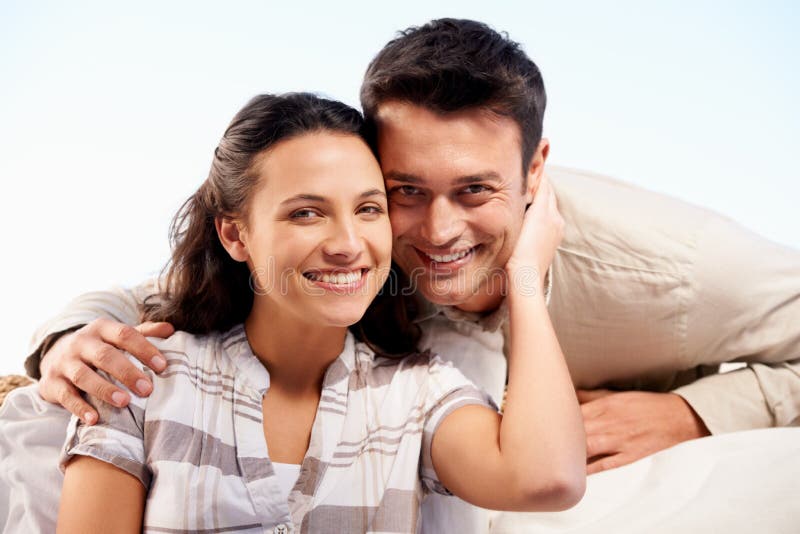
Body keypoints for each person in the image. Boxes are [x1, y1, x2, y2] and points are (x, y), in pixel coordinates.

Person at [17, 17, 800, 533]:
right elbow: (181, 286)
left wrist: (694, 412)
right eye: (402, 194)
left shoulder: (680, 267)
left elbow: (542, 479)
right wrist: (64, 339)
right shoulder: (355, 256)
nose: (436, 232)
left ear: (536, 171)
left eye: (476, 190)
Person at [51, 92, 585, 533]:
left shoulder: (418, 395)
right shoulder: (144, 380)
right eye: (307, 213)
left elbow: (547, 480)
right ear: (235, 233)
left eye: (369, 209)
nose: (348, 244)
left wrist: (524, 278)